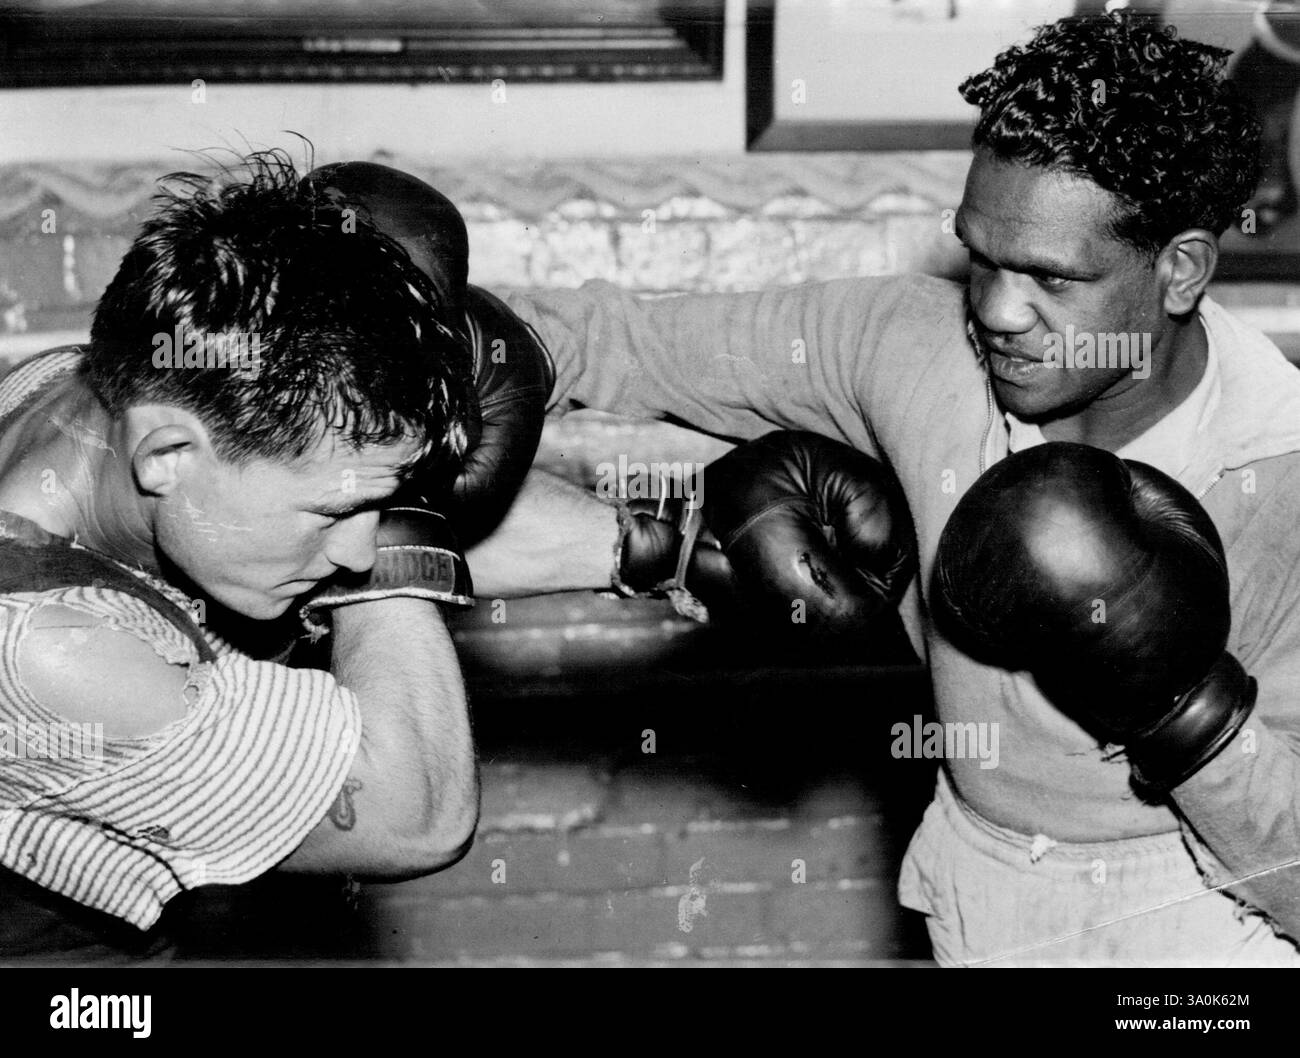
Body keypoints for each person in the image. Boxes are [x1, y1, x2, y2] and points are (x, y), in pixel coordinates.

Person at [489, 10, 1300, 965]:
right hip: (973, 883)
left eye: (1049, 276)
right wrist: (468, 344)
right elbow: (632, 341)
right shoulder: (912, 341)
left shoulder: (1279, 479)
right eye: (981, 257)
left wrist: (1186, 711)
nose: (997, 310)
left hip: (1198, 920)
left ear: (1180, 270)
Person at [0, 152, 481, 960]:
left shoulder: (71, 391)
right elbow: (416, 815)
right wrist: (395, 565)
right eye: (337, 512)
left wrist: (657, 542)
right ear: (166, 456)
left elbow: (294, 493)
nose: (359, 547)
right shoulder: (43, 649)